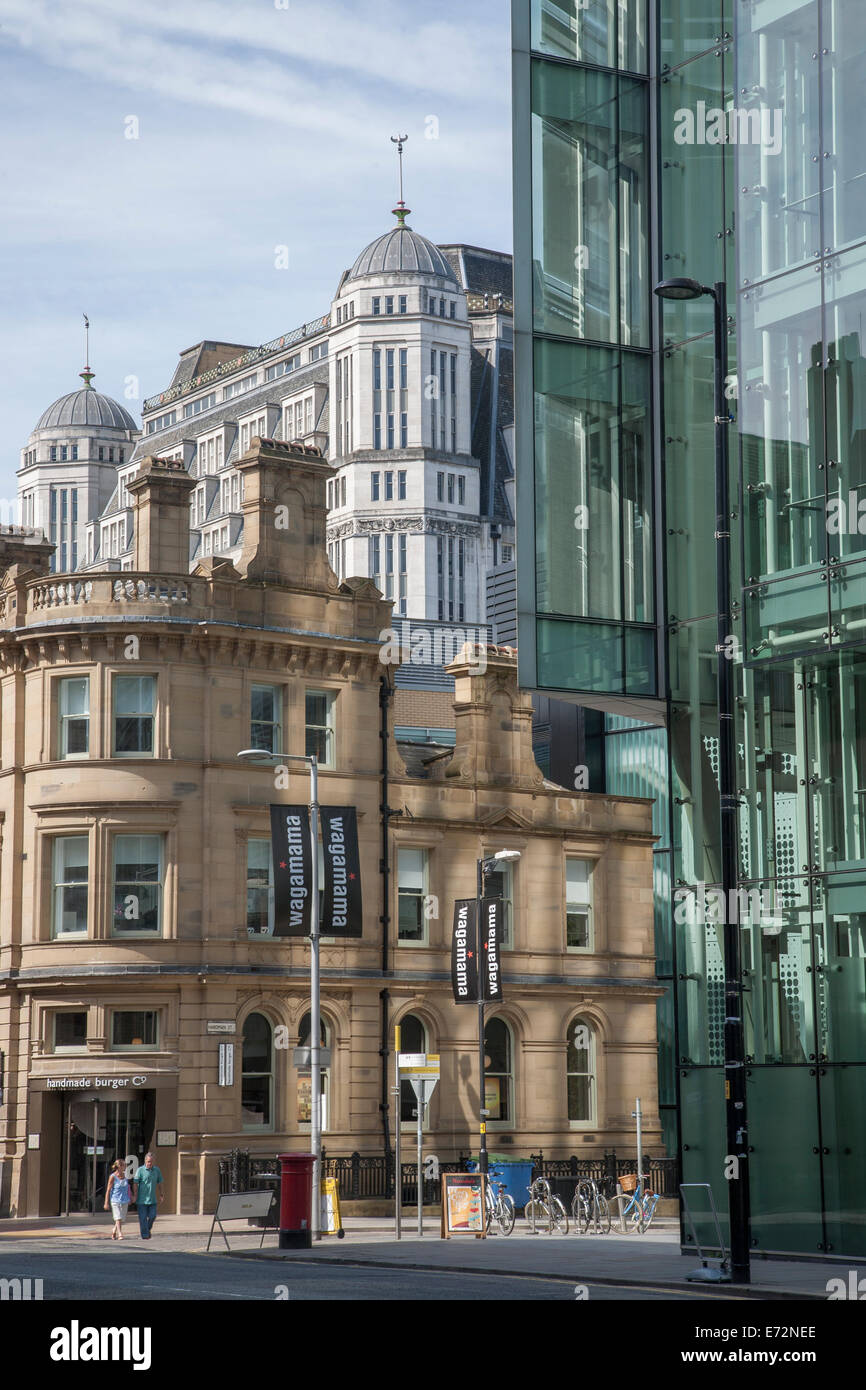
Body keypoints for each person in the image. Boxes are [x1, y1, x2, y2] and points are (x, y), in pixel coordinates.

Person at [132, 1152, 164, 1240]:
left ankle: (147, 1229)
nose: (150, 1163)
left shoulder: (157, 1170)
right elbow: (135, 1183)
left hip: (152, 1200)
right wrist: (135, 1195)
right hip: (142, 1200)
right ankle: (145, 1235)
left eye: (151, 1161)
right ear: (145, 1161)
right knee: (142, 1218)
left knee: (152, 1216)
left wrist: (161, 1194)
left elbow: (160, 1182)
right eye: (148, 1161)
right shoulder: (140, 1170)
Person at [103, 1159, 131, 1240]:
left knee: (121, 1218)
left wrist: (130, 1197)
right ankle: (120, 1234)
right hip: (115, 1200)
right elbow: (108, 1189)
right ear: (119, 1167)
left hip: (124, 1199)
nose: (125, 1167)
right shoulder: (113, 1177)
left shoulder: (125, 1176)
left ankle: (114, 1230)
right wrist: (106, 1202)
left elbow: (128, 1187)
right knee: (118, 1217)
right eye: (124, 1165)